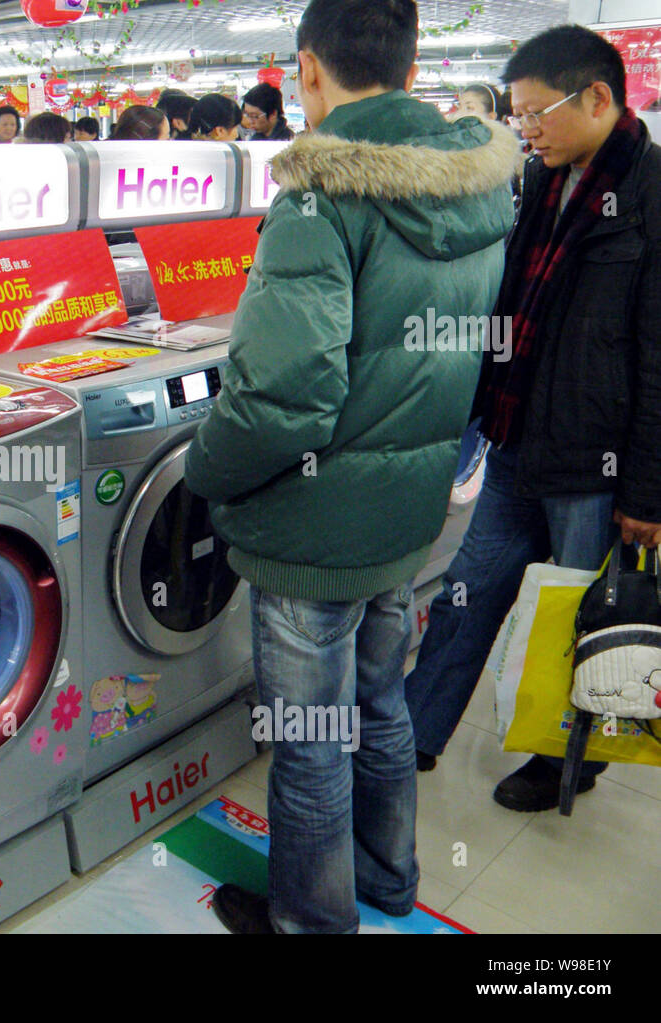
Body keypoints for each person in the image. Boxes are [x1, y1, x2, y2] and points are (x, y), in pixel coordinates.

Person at [184, 0, 519, 934]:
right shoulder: (482, 184)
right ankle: (388, 879)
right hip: (405, 513)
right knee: (379, 703)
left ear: (309, 70)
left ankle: (311, 921)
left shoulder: (318, 194)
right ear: (411, 69)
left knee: (310, 739)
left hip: (312, 530)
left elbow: (287, 397)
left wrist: (206, 471)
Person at [405, 24, 661, 811]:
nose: (525, 128)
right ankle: (415, 728)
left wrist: (646, 494)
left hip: (596, 462)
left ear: (597, 96)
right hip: (519, 441)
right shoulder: (542, 181)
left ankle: (568, 761)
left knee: (574, 618)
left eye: (535, 112)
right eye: (517, 115)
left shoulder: (651, 196)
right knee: (468, 588)